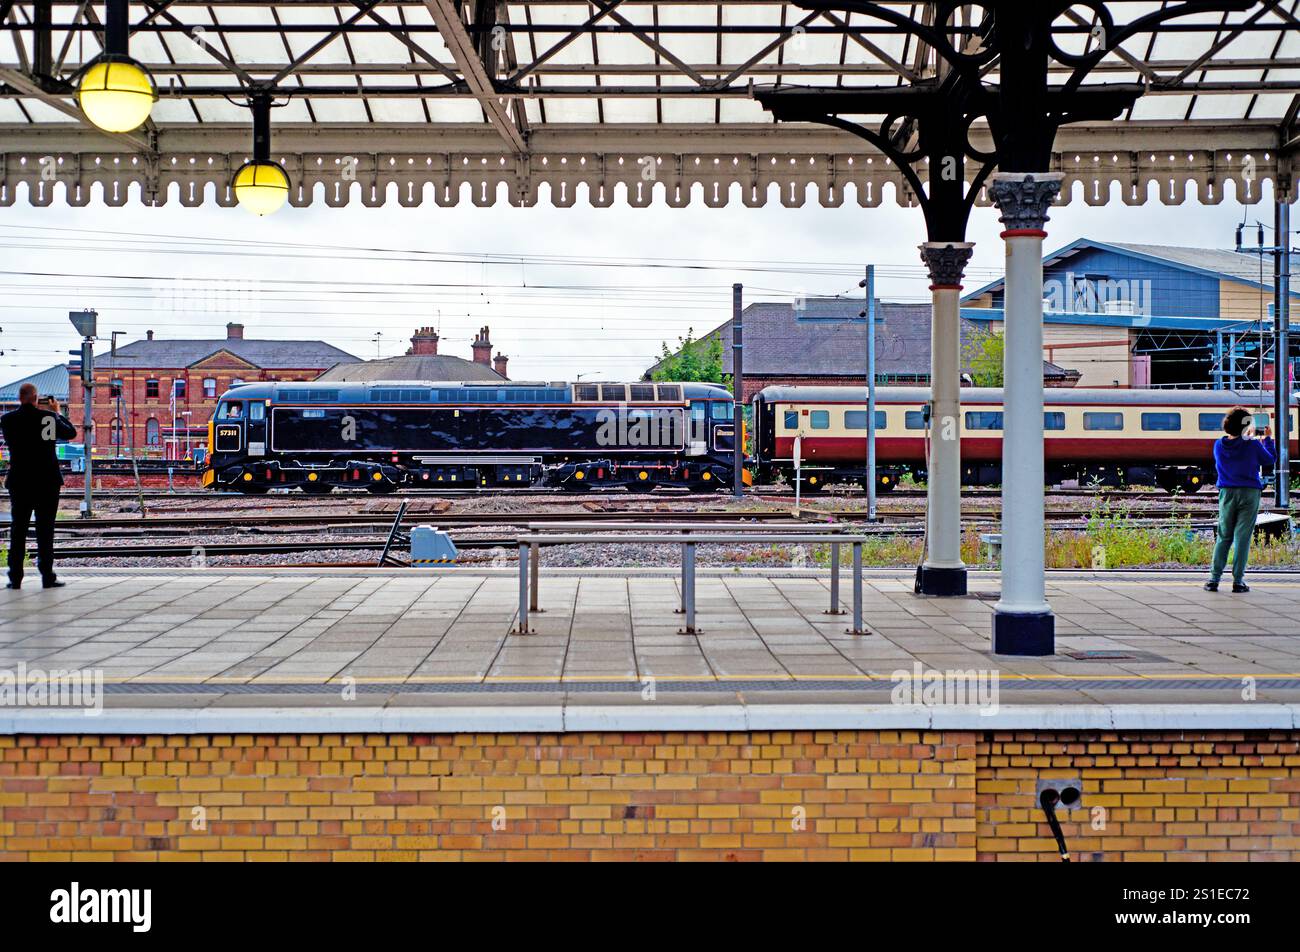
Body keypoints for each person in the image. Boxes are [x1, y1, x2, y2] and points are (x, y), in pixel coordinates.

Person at [1, 383, 77, 589]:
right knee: (45, 530)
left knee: (18, 529)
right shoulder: (47, 419)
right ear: (36, 398)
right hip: (46, 481)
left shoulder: (7, 420)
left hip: (20, 481)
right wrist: (56, 413)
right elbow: (70, 433)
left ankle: (15, 577)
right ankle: (47, 576)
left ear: (19, 398)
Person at [1204, 406, 1276, 594]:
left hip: (1227, 493)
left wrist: (1246, 436)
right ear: (1245, 427)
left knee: (1224, 536)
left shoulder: (1218, 445)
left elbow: (1232, 453)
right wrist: (1267, 439)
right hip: (1249, 493)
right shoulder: (1252, 444)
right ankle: (1238, 581)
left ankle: (1213, 579)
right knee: (1242, 538)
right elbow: (1269, 460)